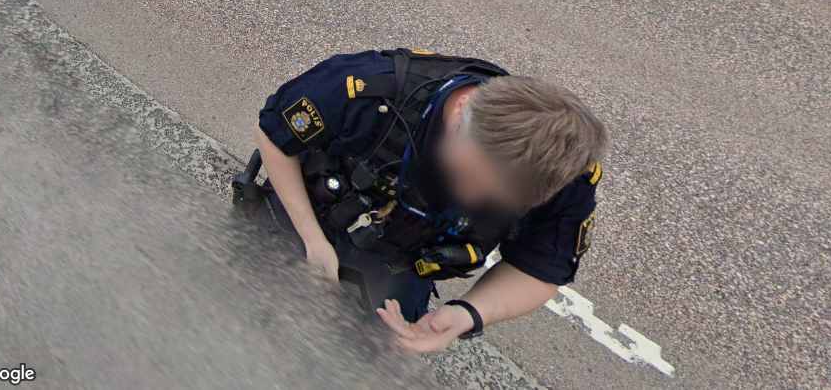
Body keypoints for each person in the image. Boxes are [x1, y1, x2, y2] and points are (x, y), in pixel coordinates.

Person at [234, 48, 608, 354]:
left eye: (493, 200)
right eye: (468, 176)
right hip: (307, 215)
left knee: (363, 358)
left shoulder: (564, 174)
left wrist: (466, 313)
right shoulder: (368, 89)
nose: (469, 197)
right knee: (242, 310)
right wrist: (313, 243)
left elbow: (540, 268)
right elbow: (275, 137)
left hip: (401, 266)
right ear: (462, 112)